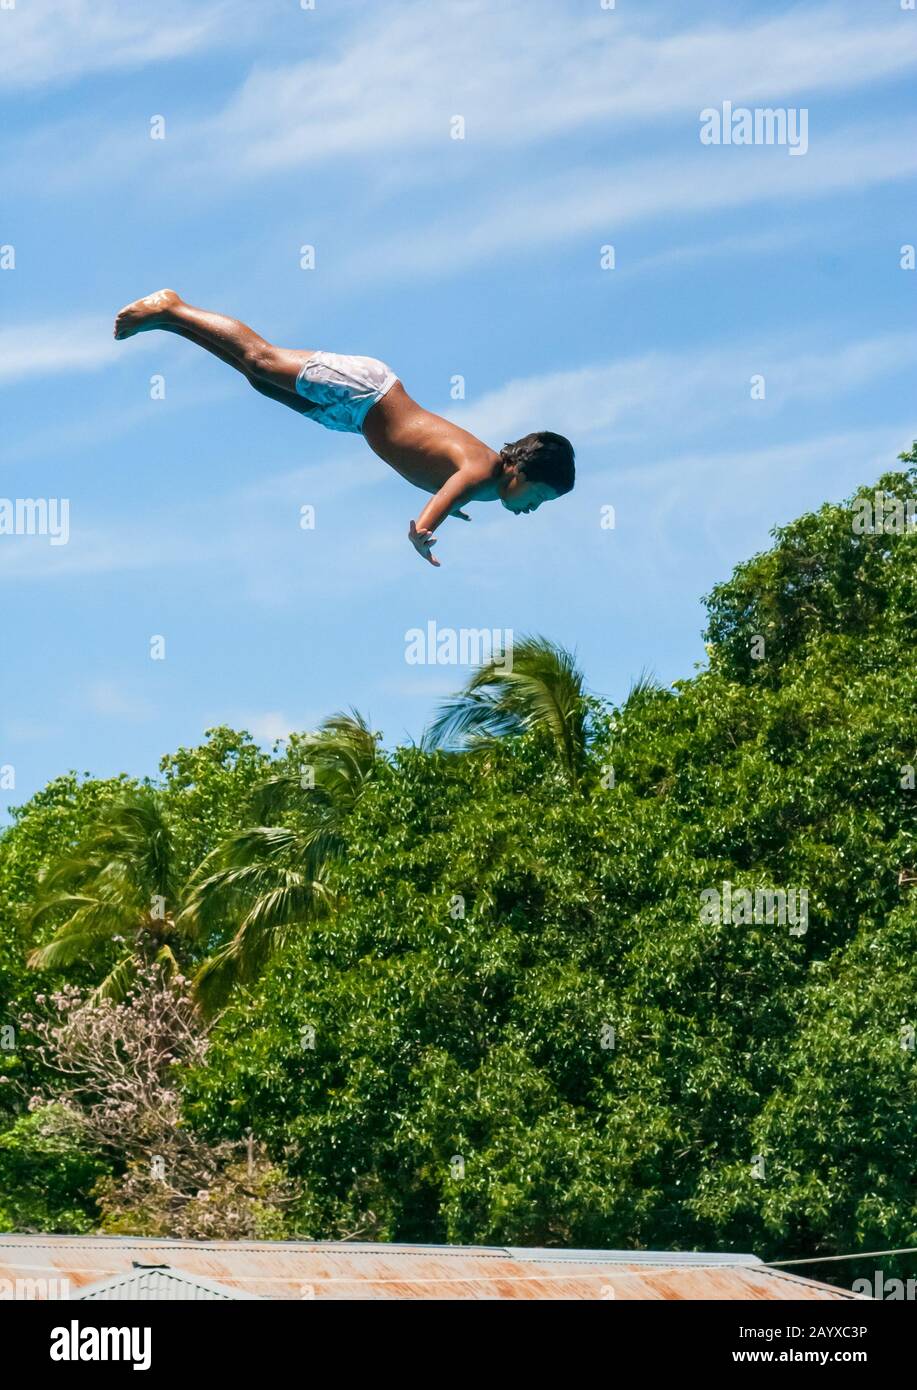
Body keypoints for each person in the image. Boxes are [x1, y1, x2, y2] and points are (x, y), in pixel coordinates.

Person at [114, 290, 575, 567]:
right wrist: (424, 529)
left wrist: (449, 505)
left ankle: (171, 323)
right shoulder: (481, 469)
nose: (533, 509)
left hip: (353, 419)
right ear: (520, 469)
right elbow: (449, 491)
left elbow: (446, 483)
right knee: (262, 360)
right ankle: (174, 307)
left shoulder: (489, 487)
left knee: (258, 381)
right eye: (537, 498)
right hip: (367, 392)